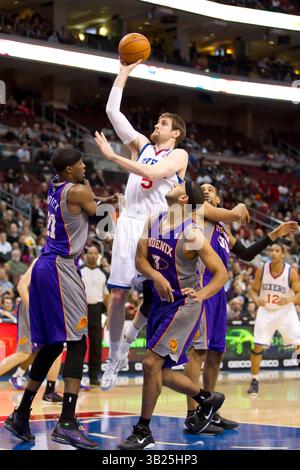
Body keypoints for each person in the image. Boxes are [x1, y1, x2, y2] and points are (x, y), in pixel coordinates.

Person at [4, 148, 118, 449]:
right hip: (61, 267)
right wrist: (109, 201)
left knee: (54, 344)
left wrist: (104, 200)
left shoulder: (57, 185)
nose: (84, 165)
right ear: (69, 170)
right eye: (80, 163)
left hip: (46, 265)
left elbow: (89, 204)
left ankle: (21, 414)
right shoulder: (80, 189)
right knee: (78, 341)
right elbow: (103, 224)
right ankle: (66, 422)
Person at [94, 58, 189, 391]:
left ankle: (134, 342)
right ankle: (114, 357)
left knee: (153, 297)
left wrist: (113, 158)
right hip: (129, 222)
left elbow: (150, 173)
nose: (157, 125)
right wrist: (123, 72)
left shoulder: (178, 156)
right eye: (158, 121)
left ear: (174, 133)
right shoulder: (143, 146)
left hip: (157, 227)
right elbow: (113, 114)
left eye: (163, 123)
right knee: (118, 295)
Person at [118, 181, 228, 450]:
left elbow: (221, 273)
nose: (172, 185)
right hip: (158, 302)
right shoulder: (154, 219)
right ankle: (206, 398)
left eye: (178, 185)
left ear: (182, 198)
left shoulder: (192, 233)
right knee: (162, 373)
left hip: (182, 305)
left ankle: (143, 430)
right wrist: (155, 275)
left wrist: (201, 295)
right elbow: (139, 259)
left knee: (150, 364)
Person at [184, 184, 299, 433]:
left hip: (218, 294)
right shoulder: (196, 213)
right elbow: (236, 212)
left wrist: (275, 234)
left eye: (211, 189)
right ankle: (193, 414)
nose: (205, 190)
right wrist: (240, 208)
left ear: (219, 197)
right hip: (200, 289)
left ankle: (210, 411)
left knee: (215, 354)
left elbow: (246, 254)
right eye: (201, 188)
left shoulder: (223, 229)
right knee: (198, 353)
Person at [0, 259, 63, 402]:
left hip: (47, 308)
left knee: (52, 347)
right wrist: (35, 311)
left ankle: (47, 389)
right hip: (32, 307)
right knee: (24, 352)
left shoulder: (63, 261)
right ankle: (46, 389)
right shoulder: (43, 260)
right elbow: (21, 286)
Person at [247, 243, 300, 395]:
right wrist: (256, 300)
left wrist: (289, 300)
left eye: (277, 250)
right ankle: (254, 380)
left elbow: (298, 293)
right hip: (266, 312)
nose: (273, 253)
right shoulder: (262, 270)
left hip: (285, 312)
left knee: (299, 344)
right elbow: (252, 290)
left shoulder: (291, 272)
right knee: (257, 346)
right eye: (272, 250)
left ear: (283, 254)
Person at [81, 245, 110, 386]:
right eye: (90, 253)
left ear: (98, 255)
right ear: (86, 255)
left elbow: (107, 297)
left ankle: (94, 376)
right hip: (81, 310)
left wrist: (109, 315)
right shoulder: (79, 271)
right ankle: (76, 375)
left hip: (96, 310)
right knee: (78, 344)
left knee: (96, 345)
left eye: (95, 253)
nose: (92, 255)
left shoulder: (103, 273)